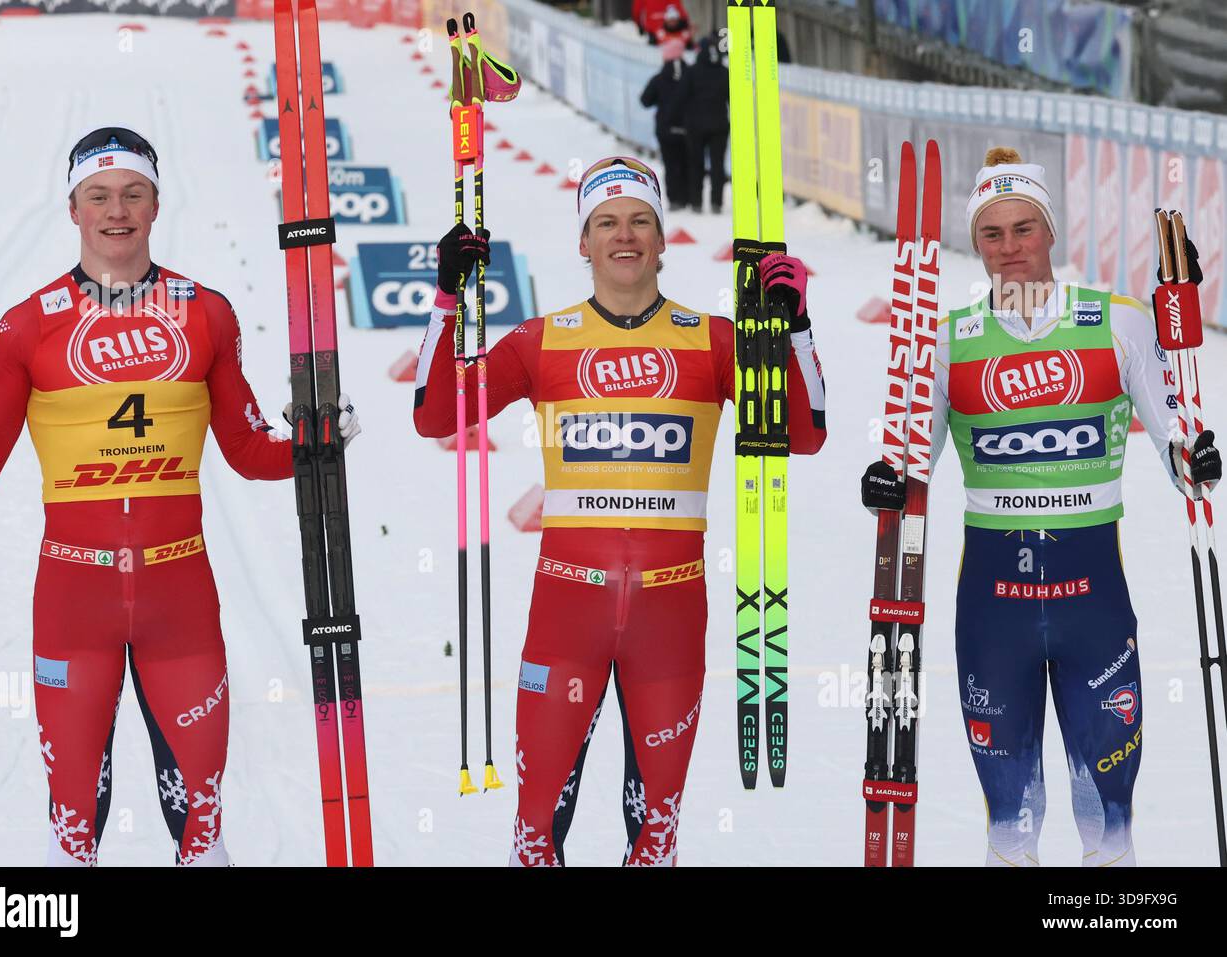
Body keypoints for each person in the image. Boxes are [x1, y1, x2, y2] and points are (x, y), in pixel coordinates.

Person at [0, 127, 359, 866]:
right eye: (98, 195)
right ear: (73, 208)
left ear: (157, 202)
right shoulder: (25, 326)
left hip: (178, 592)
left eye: (132, 193)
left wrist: (315, 445)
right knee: (71, 825)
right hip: (73, 597)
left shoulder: (206, 313)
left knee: (202, 820)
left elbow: (251, 451)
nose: (115, 211)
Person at [413, 157, 826, 865]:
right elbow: (434, 414)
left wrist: (795, 333)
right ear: (584, 241)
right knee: (535, 831)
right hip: (565, 614)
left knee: (656, 836)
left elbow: (805, 432)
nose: (624, 235)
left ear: (664, 239)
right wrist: (448, 299)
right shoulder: (542, 340)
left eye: (640, 220)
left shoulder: (713, 337)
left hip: (668, 620)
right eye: (606, 222)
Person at [860, 146, 1222, 866]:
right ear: (977, 243)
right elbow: (908, 468)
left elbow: (1179, 448)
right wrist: (883, 479)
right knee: (1010, 819)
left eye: (1024, 228)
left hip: (1095, 607)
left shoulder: (1114, 323)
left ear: (1052, 231)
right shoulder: (949, 341)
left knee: (1107, 813)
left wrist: (1196, 457)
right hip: (995, 613)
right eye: (993, 234)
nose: (1010, 248)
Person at [639, 39, 690, 212]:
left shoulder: (659, 78)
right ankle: (688, 197)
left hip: (665, 128)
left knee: (670, 164)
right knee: (687, 162)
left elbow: (645, 100)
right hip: (689, 128)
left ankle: (674, 199)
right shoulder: (692, 75)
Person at [682, 32, 729, 214]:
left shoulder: (692, 71)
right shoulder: (724, 72)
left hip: (695, 126)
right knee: (718, 165)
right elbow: (733, 99)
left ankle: (696, 202)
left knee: (696, 164)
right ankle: (717, 203)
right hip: (719, 125)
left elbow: (681, 97)